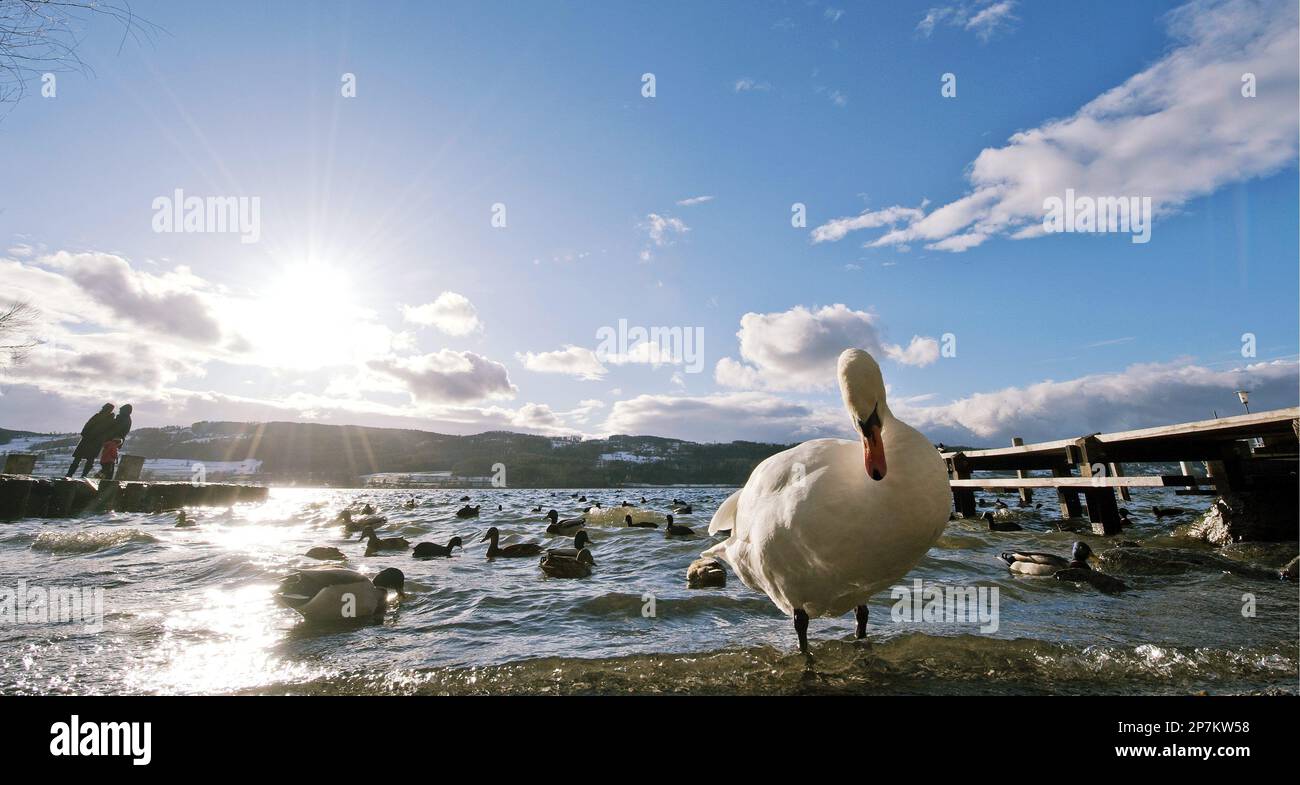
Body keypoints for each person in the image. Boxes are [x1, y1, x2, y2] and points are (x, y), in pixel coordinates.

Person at [66, 403, 115, 478]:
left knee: (81, 458)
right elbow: (88, 425)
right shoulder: (110, 420)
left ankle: (71, 475)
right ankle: (81, 475)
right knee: (88, 459)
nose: (102, 408)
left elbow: (88, 425)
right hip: (95, 441)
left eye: (104, 407)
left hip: (89, 439)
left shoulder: (100, 417)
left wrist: (85, 434)